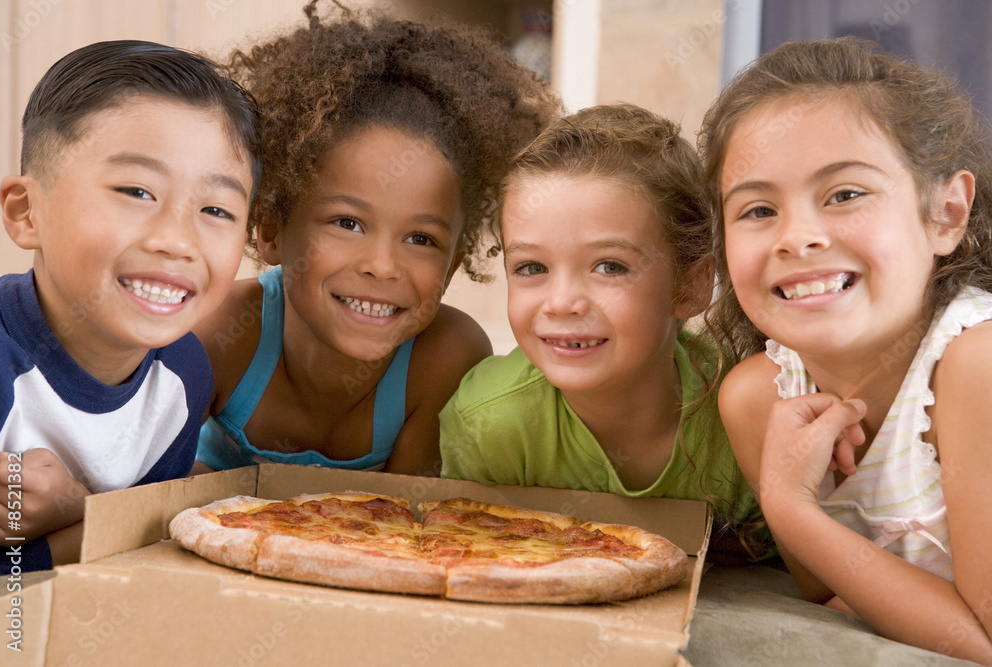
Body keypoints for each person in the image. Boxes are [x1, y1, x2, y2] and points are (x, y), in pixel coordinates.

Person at [701, 36, 992, 662]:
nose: (798, 237)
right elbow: (830, 595)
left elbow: (983, 641)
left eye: (845, 194)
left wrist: (790, 506)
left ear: (946, 213)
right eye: (758, 209)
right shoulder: (756, 399)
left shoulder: (978, 364)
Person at [192, 1, 559, 477]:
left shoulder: (446, 359)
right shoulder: (223, 332)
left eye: (421, 238)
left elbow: (404, 516)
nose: (382, 265)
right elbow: (152, 492)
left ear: (451, 268)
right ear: (270, 229)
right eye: (347, 223)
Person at [439, 104, 763, 559]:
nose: (562, 302)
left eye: (610, 267)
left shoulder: (746, 418)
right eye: (532, 267)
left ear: (690, 286)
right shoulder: (490, 425)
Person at [0, 40, 262, 574]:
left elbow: (139, 548)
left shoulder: (185, 376)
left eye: (216, 209)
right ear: (27, 213)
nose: (177, 241)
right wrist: (84, 531)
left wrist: (75, 507)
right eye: (137, 192)